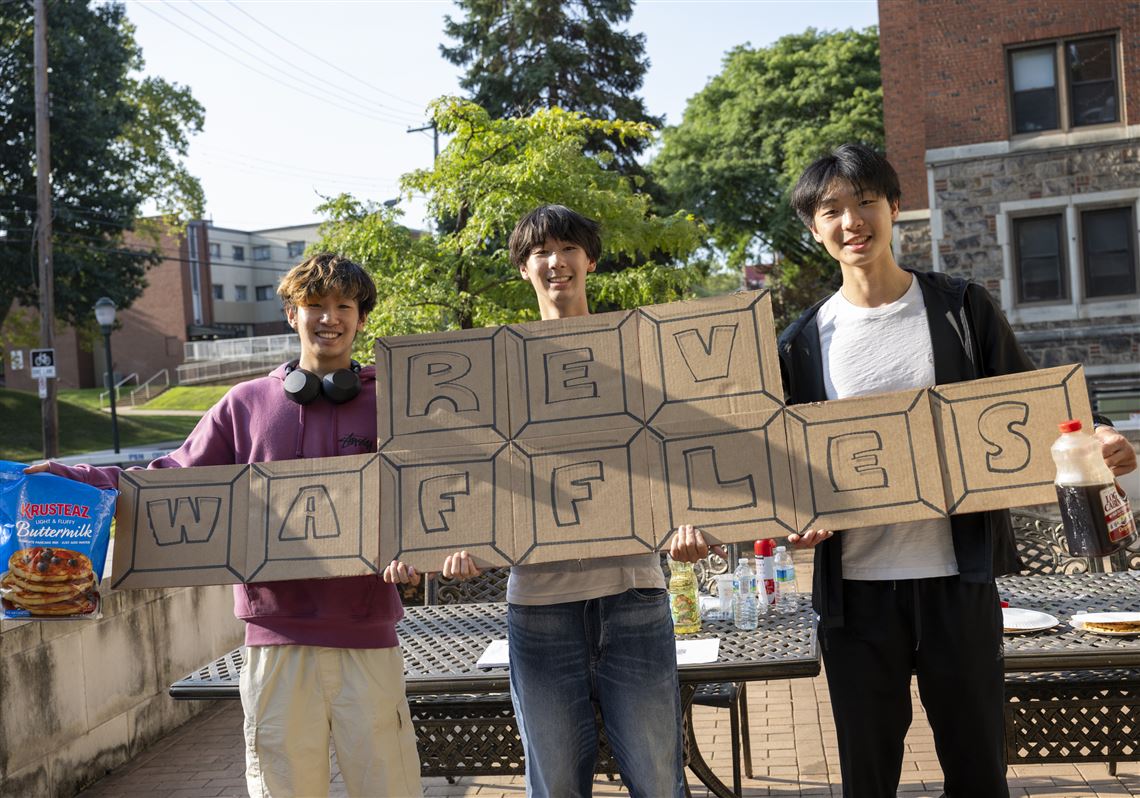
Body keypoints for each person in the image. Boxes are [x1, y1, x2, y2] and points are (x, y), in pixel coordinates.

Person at [778, 143, 1137, 797]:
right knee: (868, 778)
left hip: (958, 583)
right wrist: (791, 515)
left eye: (865, 203)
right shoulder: (803, 342)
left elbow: (1038, 402)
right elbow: (783, 463)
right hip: (855, 596)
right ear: (814, 228)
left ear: (894, 208)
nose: (851, 221)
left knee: (978, 772)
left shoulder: (961, 309)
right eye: (831, 210)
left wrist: (1102, 434)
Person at [29, 253, 424, 798]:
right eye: (315, 305)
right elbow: (168, 480)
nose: (328, 318)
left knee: (390, 789)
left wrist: (419, 551)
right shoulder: (244, 405)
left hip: (370, 638)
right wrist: (74, 477)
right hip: (275, 641)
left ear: (360, 318)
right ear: (291, 313)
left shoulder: (396, 404)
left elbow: (430, 493)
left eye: (343, 306)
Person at [441, 205, 688, 798]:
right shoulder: (495, 371)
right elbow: (469, 470)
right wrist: (455, 536)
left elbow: (675, 455)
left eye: (569, 248)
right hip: (540, 607)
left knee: (659, 782)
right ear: (523, 269)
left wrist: (692, 521)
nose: (557, 262)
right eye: (540, 253)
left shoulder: (637, 353)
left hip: (634, 596)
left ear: (590, 260)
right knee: (554, 786)